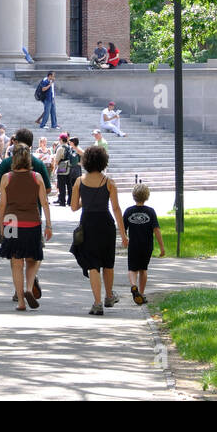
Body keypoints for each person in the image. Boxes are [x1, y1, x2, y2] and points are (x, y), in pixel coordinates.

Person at [71, 144, 127, 315]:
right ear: (104, 161)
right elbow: (116, 209)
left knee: (93, 265)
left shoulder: (79, 181)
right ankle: (109, 296)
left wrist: (85, 202)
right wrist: (124, 234)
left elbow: (74, 207)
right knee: (108, 262)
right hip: (106, 224)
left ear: (86, 162)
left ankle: (97, 302)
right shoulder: (109, 182)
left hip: (88, 223)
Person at [0, 144, 52, 311]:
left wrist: (1, 226)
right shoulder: (37, 177)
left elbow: (2, 205)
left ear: (14, 159)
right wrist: (48, 225)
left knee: (16, 262)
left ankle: (21, 301)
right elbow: (44, 202)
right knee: (34, 258)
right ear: (29, 160)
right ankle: (29, 288)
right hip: (32, 221)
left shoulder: (7, 178)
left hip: (11, 221)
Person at [123, 183, 165, 304]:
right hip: (147, 246)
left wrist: (124, 238)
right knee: (143, 269)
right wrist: (162, 247)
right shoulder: (150, 212)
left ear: (133, 196)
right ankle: (141, 293)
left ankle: (133, 286)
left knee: (132, 269)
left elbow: (122, 228)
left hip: (133, 245)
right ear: (147, 196)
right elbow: (156, 230)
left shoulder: (129, 211)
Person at [52, 133, 76, 206]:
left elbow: (56, 160)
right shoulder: (69, 147)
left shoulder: (60, 148)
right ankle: (70, 201)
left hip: (62, 167)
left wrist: (55, 168)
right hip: (70, 167)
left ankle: (62, 201)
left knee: (61, 185)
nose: (59, 140)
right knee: (69, 185)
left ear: (62, 140)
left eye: (59, 139)